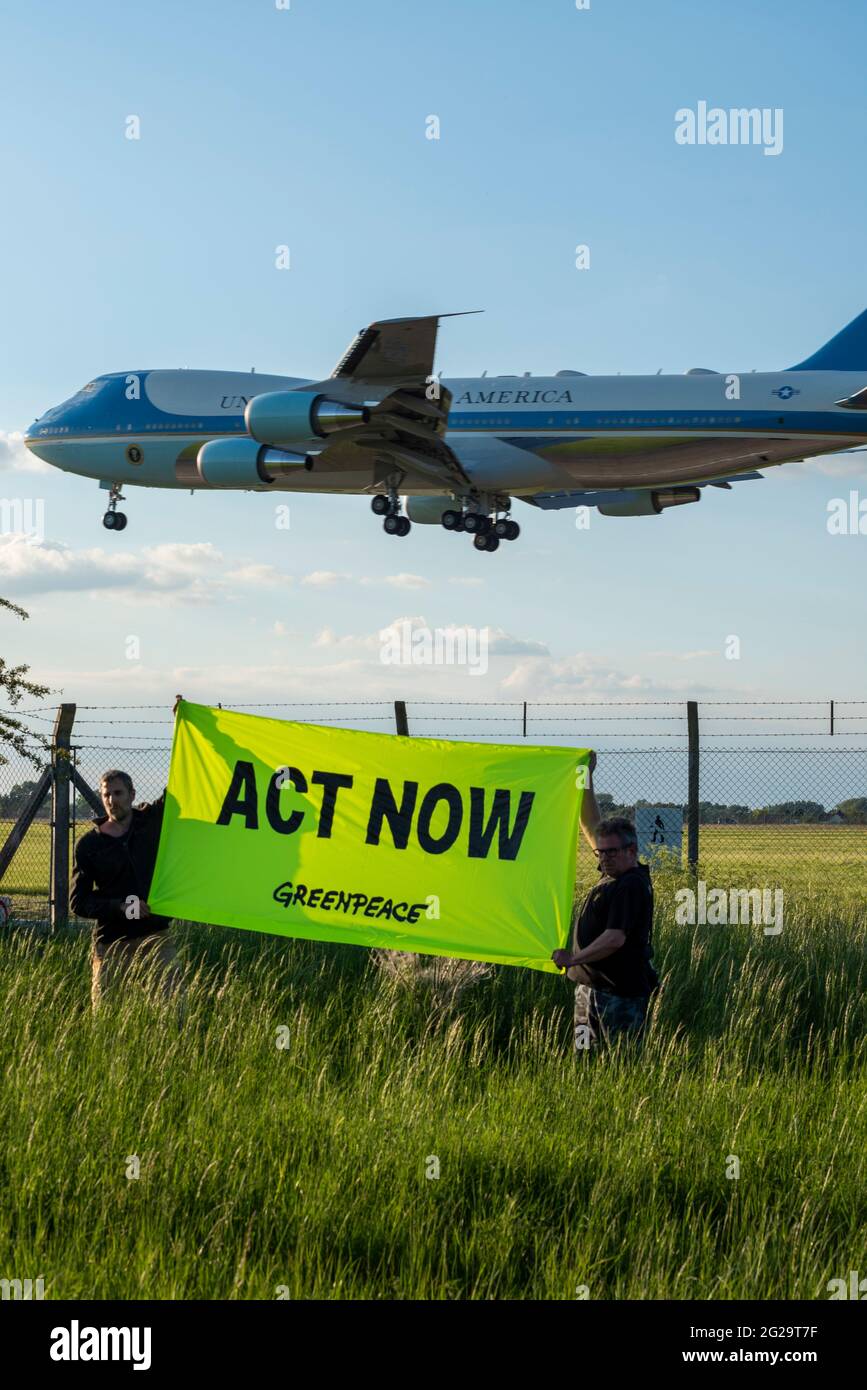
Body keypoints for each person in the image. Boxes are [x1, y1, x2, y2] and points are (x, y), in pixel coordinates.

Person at [71, 698, 185, 1013]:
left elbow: (179, 784)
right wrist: (120, 906)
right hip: (111, 942)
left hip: (155, 935)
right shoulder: (89, 845)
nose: (112, 800)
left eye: (118, 793)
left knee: (175, 1010)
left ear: (132, 795)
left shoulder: (149, 822)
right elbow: (79, 902)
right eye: (106, 794)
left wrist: (183, 727)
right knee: (106, 1015)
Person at [551, 753, 659, 1053]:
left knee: (617, 1060)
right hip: (590, 991)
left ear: (631, 850)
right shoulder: (613, 871)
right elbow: (591, 825)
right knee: (584, 1055)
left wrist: (573, 959)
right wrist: (585, 777)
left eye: (611, 852)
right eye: (600, 852)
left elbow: (614, 939)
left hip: (617, 995)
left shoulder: (630, 884)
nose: (604, 858)